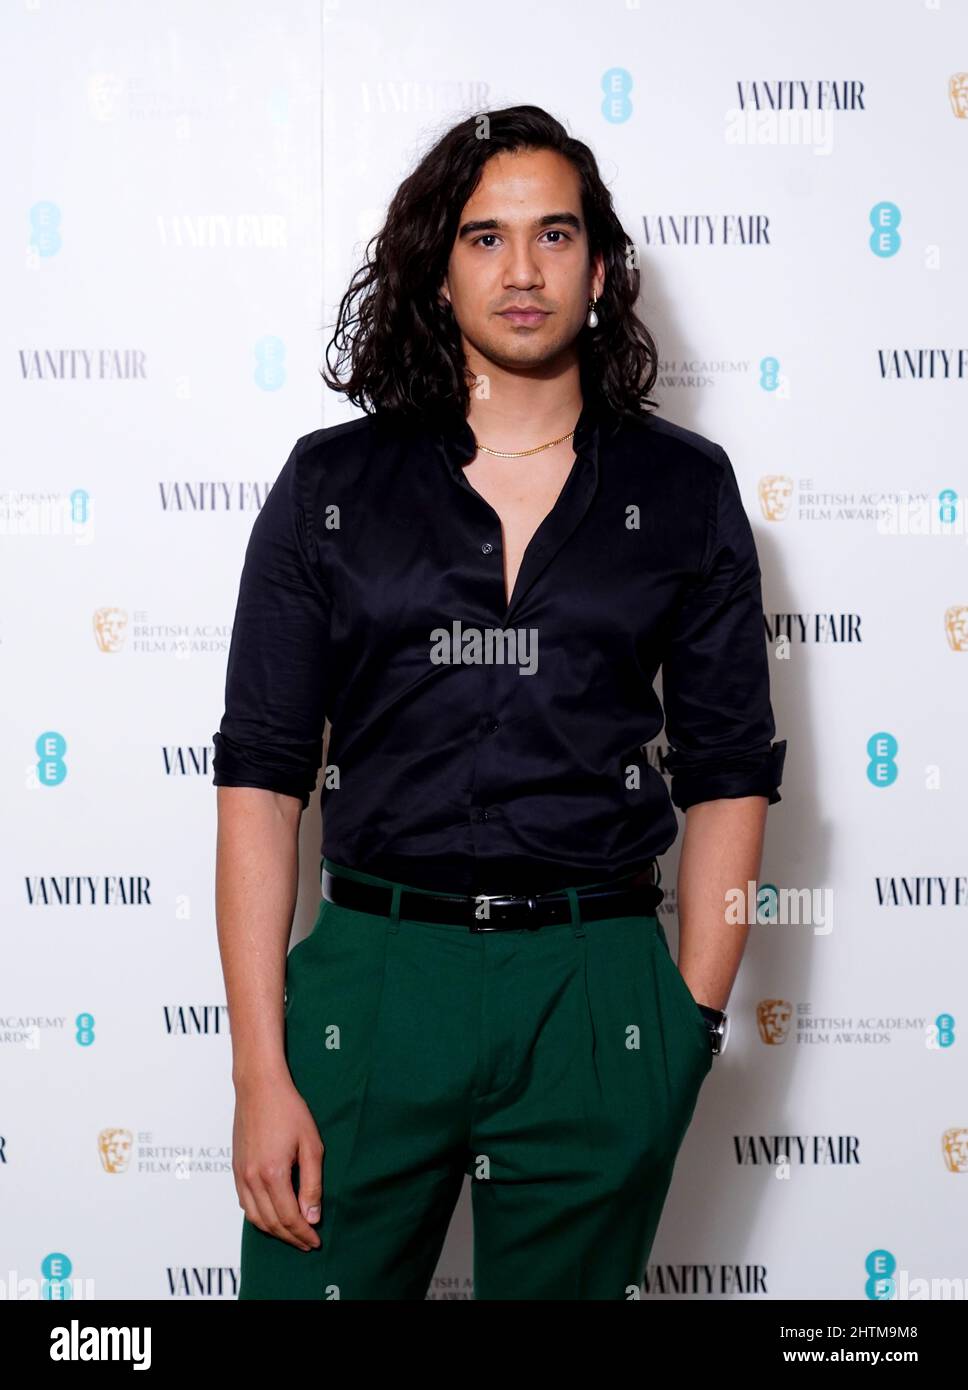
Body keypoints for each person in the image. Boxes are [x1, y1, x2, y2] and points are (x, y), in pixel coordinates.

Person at [212, 104, 786, 1301]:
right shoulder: (331, 483)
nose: (521, 270)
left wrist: (682, 1025)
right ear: (437, 271)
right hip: (375, 980)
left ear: (600, 269)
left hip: (595, 986)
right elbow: (262, 781)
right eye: (484, 238)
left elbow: (729, 770)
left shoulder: (683, 488)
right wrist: (259, 1070)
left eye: (552, 235)